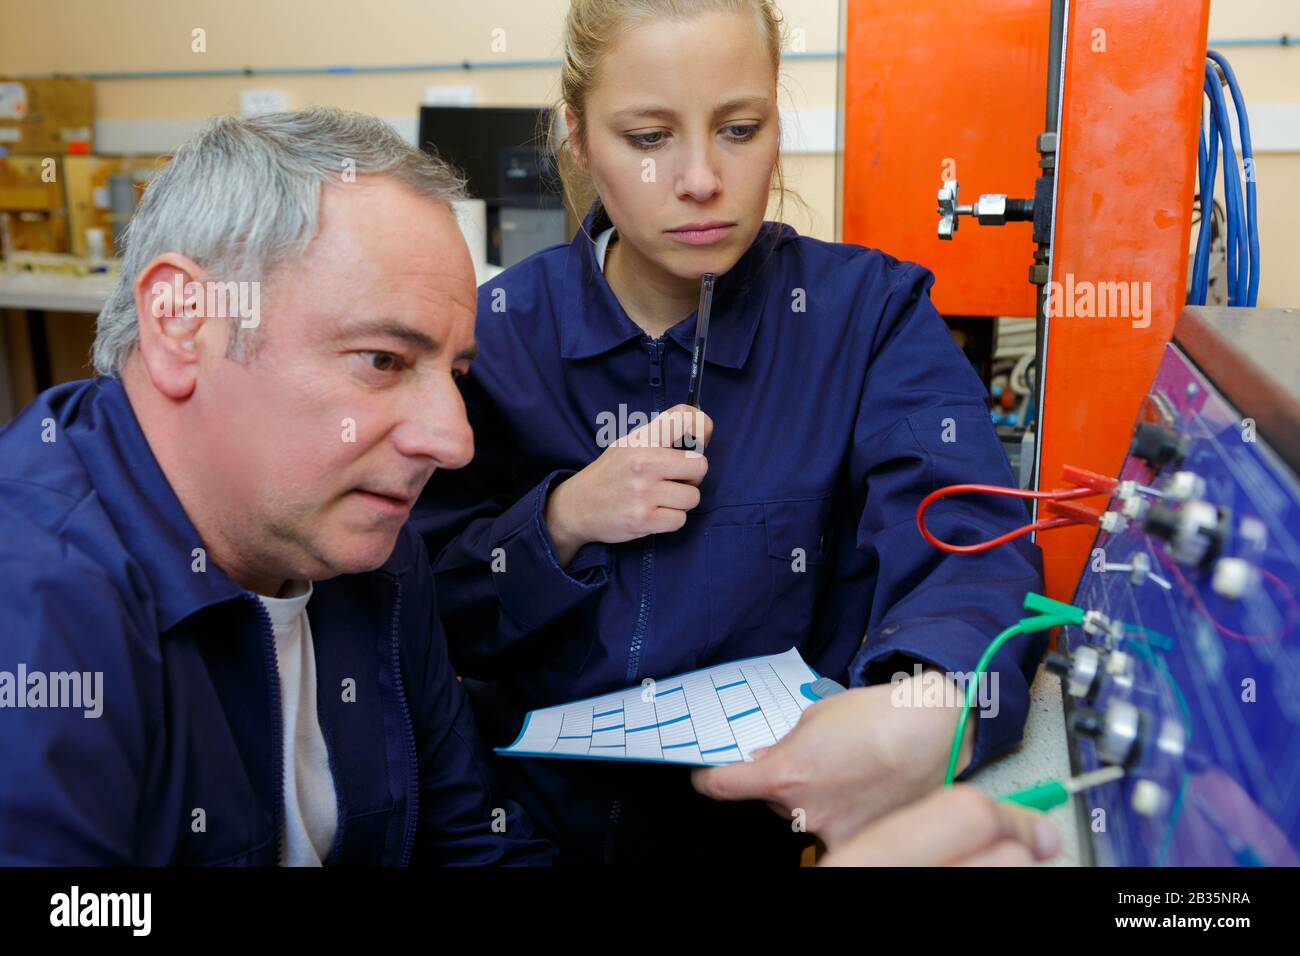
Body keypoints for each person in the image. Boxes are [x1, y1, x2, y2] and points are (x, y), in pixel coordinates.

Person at [411, 0, 1044, 865]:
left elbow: (969, 538)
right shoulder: (498, 337)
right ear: (578, 137)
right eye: (647, 138)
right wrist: (558, 524)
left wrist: (923, 708)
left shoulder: (868, 317)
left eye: (740, 128)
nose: (702, 178)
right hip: (524, 841)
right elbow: (414, 599)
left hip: (795, 838)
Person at [0, 108, 553, 866]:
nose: (454, 441)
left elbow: (469, 842)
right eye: (384, 360)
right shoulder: (37, 607)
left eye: (455, 375)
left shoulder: (369, 543)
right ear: (183, 324)